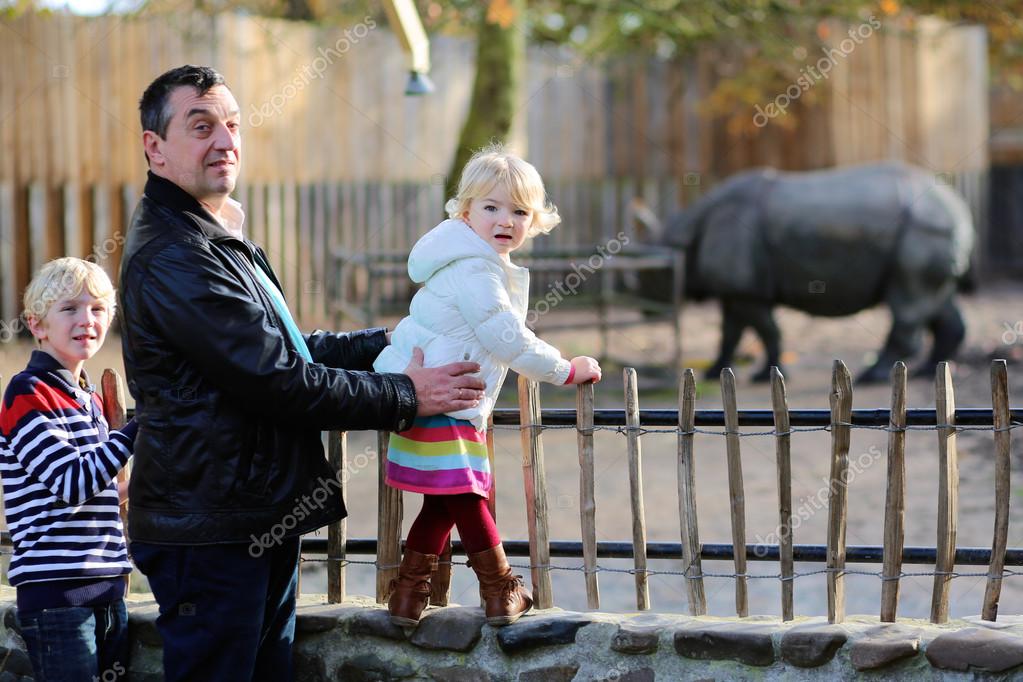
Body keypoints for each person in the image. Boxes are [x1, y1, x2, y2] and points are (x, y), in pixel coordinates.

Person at [118, 65, 485, 682]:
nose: (225, 141)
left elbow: (288, 347)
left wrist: (387, 342)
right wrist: (405, 394)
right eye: (201, 127)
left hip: (246, 519)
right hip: (212, 532)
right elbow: (278, 380)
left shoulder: (212, 234)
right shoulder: (175, 254)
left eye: (233, 125)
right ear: (155, 148)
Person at [374, 145, 602, 627]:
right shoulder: (475, 269)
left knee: (443, 502)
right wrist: (564, 369)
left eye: (519, 211)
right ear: (466, 212)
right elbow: (507, 337)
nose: (505, 220)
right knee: (467, 496)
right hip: (445, 399)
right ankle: (500, 589)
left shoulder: (471, 260)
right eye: (491, 207)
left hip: (435, 398)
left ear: (534, 220)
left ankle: (408, 596)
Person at [0, 257, 136, 682]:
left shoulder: (89, 398)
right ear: (37, 324)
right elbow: (72, 483)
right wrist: (140, 428)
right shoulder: (27, 393)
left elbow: (95, 495)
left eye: (98, 309)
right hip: (58, 597)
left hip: (109, 591)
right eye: (69, 309)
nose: (86, 320)